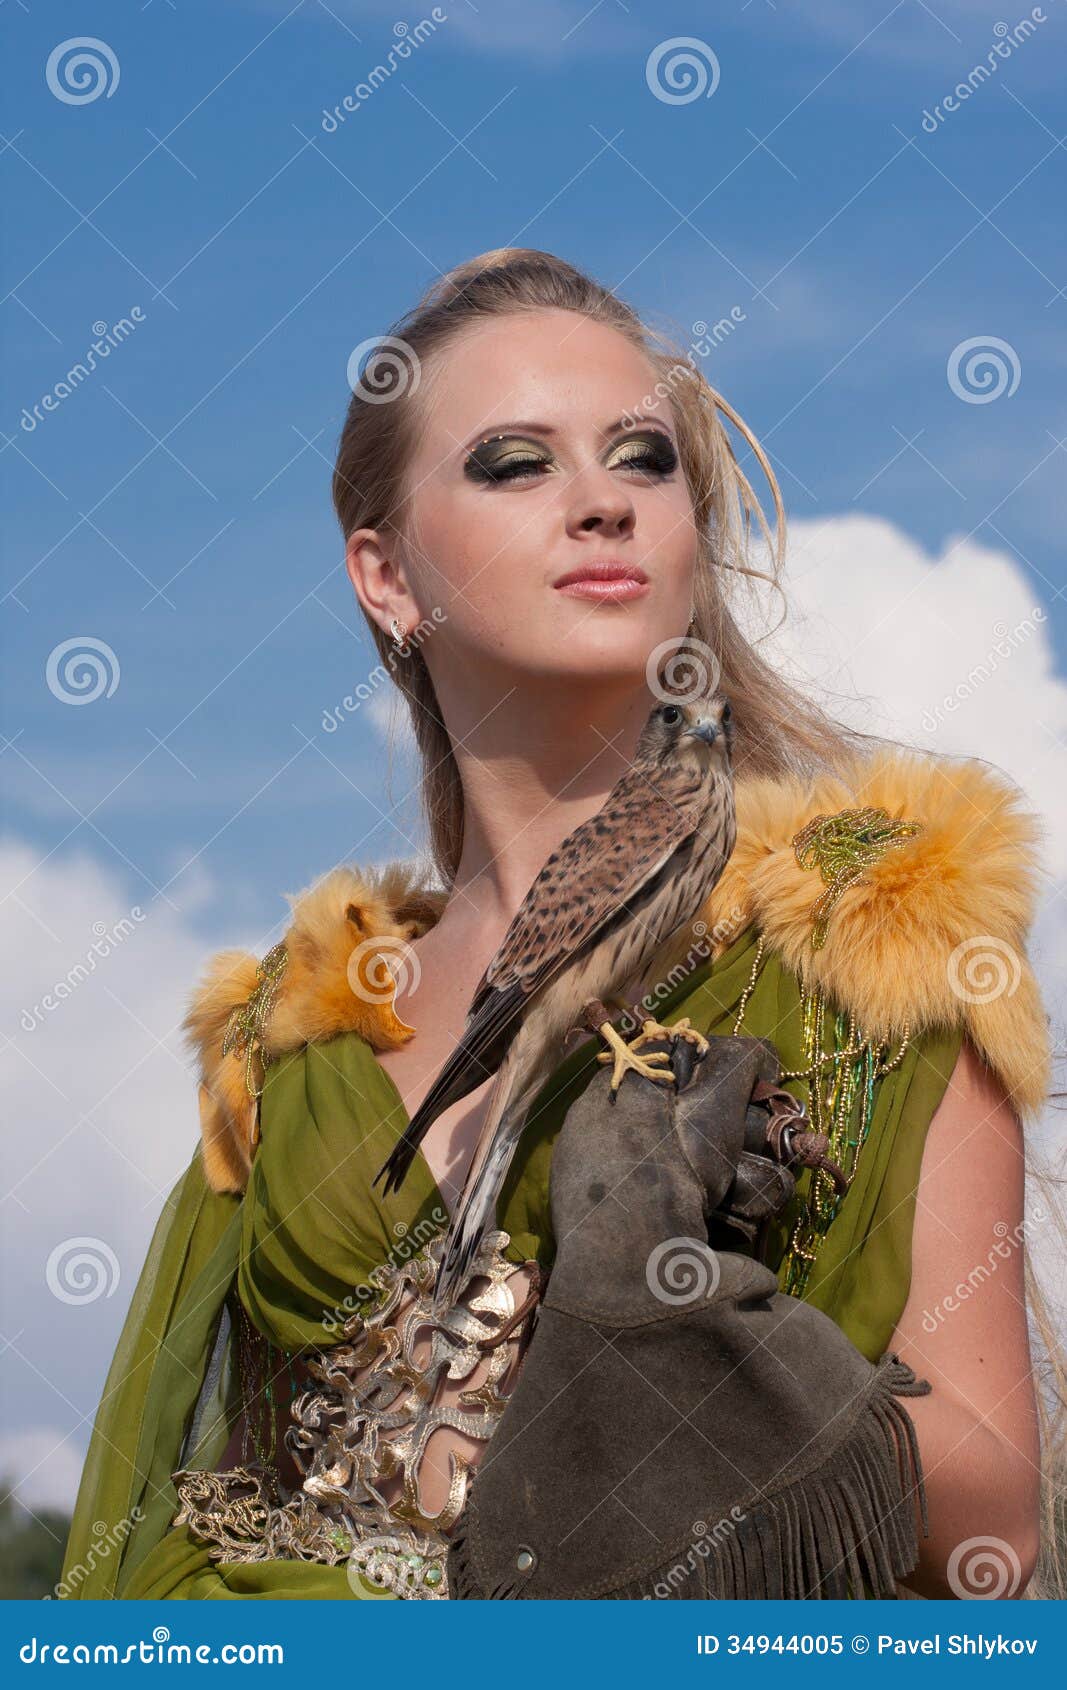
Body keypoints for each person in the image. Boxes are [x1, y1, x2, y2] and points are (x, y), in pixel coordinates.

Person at [60, 248, 1057, 1602]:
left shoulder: (867, 940)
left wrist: (690, 1323)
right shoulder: (291, 1051)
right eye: (515, 464)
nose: (602, 501)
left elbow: (997, 1529)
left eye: (645, 460)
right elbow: (183, 1510)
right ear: (386, 576)